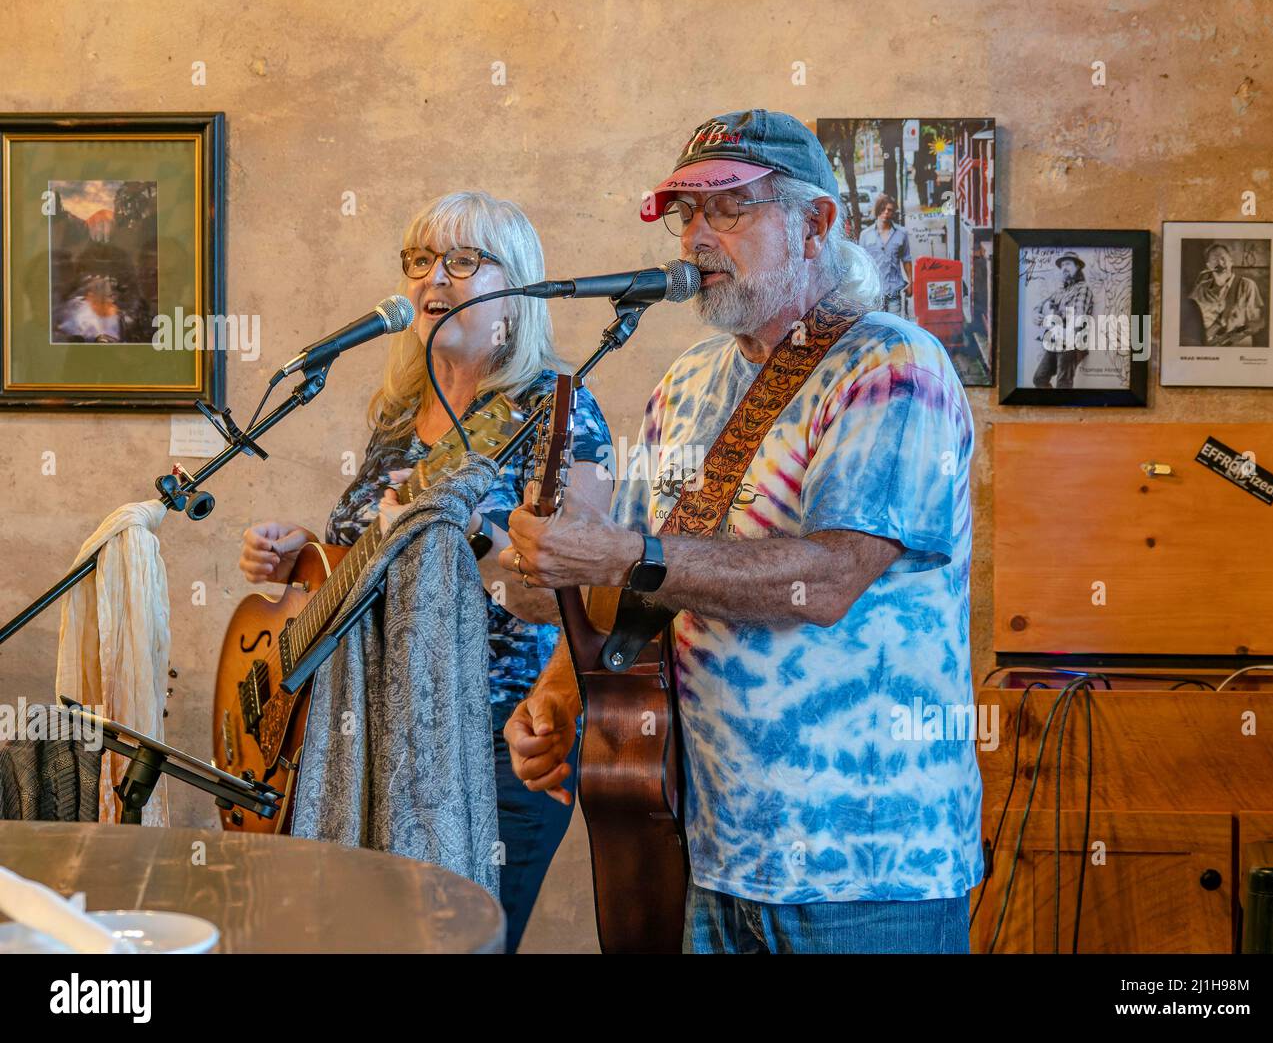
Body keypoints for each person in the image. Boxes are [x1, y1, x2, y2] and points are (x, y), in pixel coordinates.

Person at [500, 110, 982, 954]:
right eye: (686, 215)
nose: (696, 238)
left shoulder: (894, 369)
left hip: (867, 865)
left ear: (816, 224)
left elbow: (829, 579)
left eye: (730, 210)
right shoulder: (685, 381)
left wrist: (624, 553)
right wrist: (562, 692)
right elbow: (640, 588)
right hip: (705, 845)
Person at [237, 190, 612, 953]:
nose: (433, 278)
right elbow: (367, 562)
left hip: (491, 745)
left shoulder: (558, 412)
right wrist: (300, 551)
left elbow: (574, 602)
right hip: (367, 739)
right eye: (419, 260)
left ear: (520, 289)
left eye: (462, 260)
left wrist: (470, 540)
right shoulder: (399, 413)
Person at [1031, 252, 1094, 389]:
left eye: (1068, 264)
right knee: (1039, 378)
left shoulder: (1083, 288)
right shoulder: (1060, 291)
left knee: (1063, 384)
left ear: (1077, 267)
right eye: (1062, 265)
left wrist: (1055, 316)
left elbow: (1078, 318)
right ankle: (1052, 408)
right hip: (1057, 340)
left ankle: (1062, 408)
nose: (1064, 268)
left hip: (1072, 342)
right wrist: (1036, 314)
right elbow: (1040, 306)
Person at [1186, 242, 1266, 347]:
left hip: (1235, 348)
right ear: (1209, 266)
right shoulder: (1200, 288)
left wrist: (1238, 335)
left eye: (1223, 258)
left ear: (1231, 262)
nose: (1219, 263)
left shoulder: (1247, 285)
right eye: (1214, 259)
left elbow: (1257, 322)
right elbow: (1188, 320)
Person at [858, 194, 912, 315]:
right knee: (878, 328)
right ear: (878, 210)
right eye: (883, 209)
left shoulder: (901, 233)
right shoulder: (865, 235)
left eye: (890, 210)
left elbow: (906, 259)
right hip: (874, 293)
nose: (886, 212)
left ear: (893, 212)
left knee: (894, 326)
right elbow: (861, 263)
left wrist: (911, 282)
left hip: (894, 291)